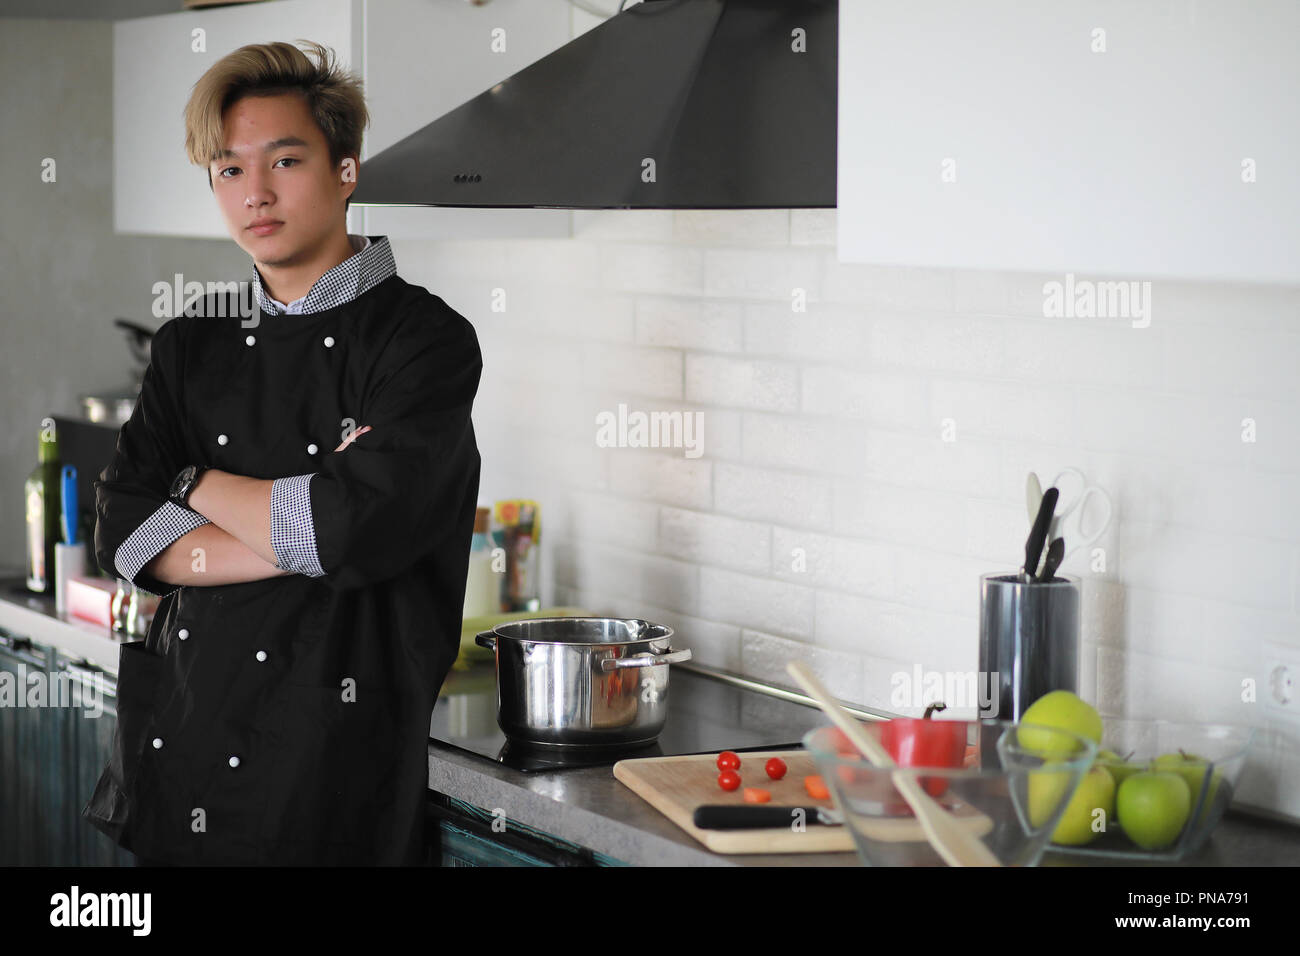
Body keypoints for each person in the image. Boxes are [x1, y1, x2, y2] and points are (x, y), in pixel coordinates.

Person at [82, 39, 483, 866]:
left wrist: (191, 484)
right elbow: (123, 534)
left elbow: (349, 530)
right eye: (228, 171)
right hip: (185, 751)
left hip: (337, 773)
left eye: (285, 160)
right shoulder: (191, 346)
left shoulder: (423, 341)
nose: (254, 194)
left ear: (346, 168)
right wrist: (295, 528)